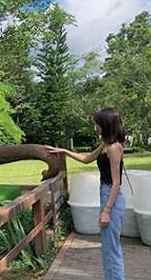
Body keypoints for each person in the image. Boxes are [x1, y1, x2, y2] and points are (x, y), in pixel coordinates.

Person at [45, 108, 126, 280]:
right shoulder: (105, 144)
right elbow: (86, 159)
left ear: (105, 124)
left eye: (97, 122)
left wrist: (106, 211)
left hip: (112, 197)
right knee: (107, 247)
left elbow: (116, 183)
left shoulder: (114, 148)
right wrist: (64, 152)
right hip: (106, 194)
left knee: (111, 248)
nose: (95, 126)